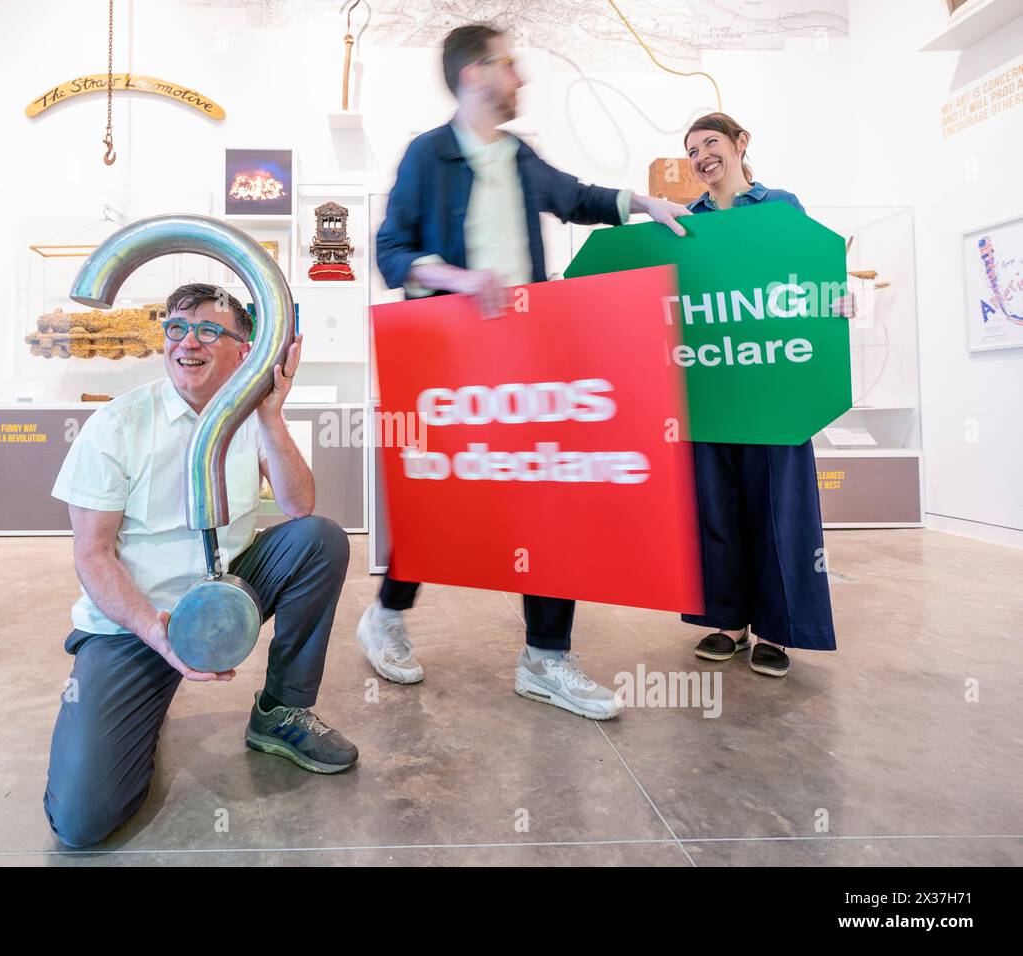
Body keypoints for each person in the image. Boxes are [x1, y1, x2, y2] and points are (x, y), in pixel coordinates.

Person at [360, 23, 692, 719]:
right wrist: (454, 278)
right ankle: (387, 616)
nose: (523, 78)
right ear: (475, 73)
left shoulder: (518, 156)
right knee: (443, 500)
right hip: (452, 361)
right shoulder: (428, 156)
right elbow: (391, 249)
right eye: (510, 65)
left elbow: (577, 198)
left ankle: (546, 657)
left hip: (529, 358)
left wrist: (644, 203)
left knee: (549, 500)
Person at [43, 283, 356, 848]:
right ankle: (137, 710)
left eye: (210, 330)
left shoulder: (251, 418)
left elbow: (298, 505)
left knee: (320, 540)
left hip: (225, 598)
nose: (189, 342)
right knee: (82, 823)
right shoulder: (117, 425)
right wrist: (157, 635)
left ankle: (281, 713)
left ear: (245, 350)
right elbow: (91, 554)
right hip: (135, 624)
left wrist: (271, 416)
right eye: (177, 328)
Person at [680, 112, 838, 678]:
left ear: (741, 144)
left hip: (773, 388)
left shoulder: (780, 207)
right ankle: (727, 623)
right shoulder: (685, 223)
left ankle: (777, 628)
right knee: (715, 506)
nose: (701, 158)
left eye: (711, 144)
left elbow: (815, 277)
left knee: (778, 507)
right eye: (693, 151)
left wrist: (832, 303)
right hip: (711, 385)